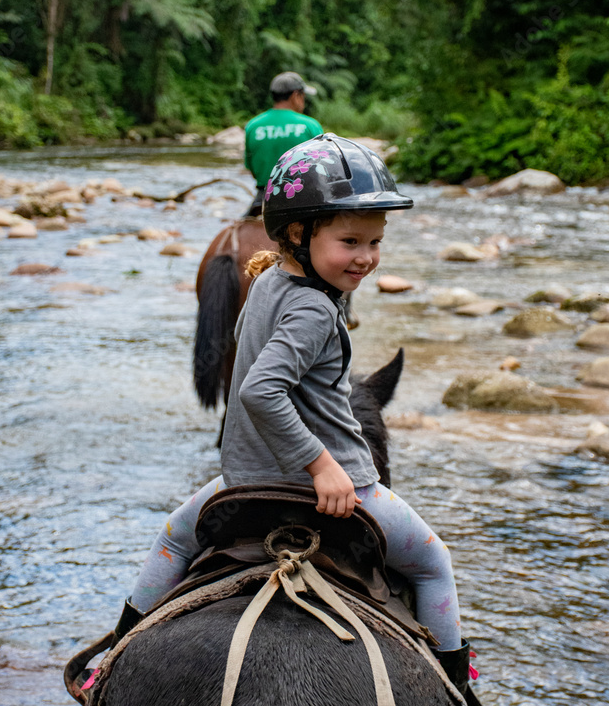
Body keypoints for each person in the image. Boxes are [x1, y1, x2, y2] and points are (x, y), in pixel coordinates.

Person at [86, 134, 478, 700]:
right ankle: (457, 683)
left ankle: (113, 657)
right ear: (298, 233)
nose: (366, 257)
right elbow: (260, 391)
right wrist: (322, 466)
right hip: (339, 482)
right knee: (434, 562)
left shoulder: (266, 280)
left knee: (173, 541)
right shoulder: (316, 309)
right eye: (349, 241)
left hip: (244, 481)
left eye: (375, 241)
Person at [243, 71, 323, 216]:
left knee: (240, 225)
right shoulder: (310, 125)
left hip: (264, 198)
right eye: (303, 96)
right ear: (295, 96)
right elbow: (322, 167)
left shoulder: (252, 126)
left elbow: (251, 168)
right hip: (302, 196)